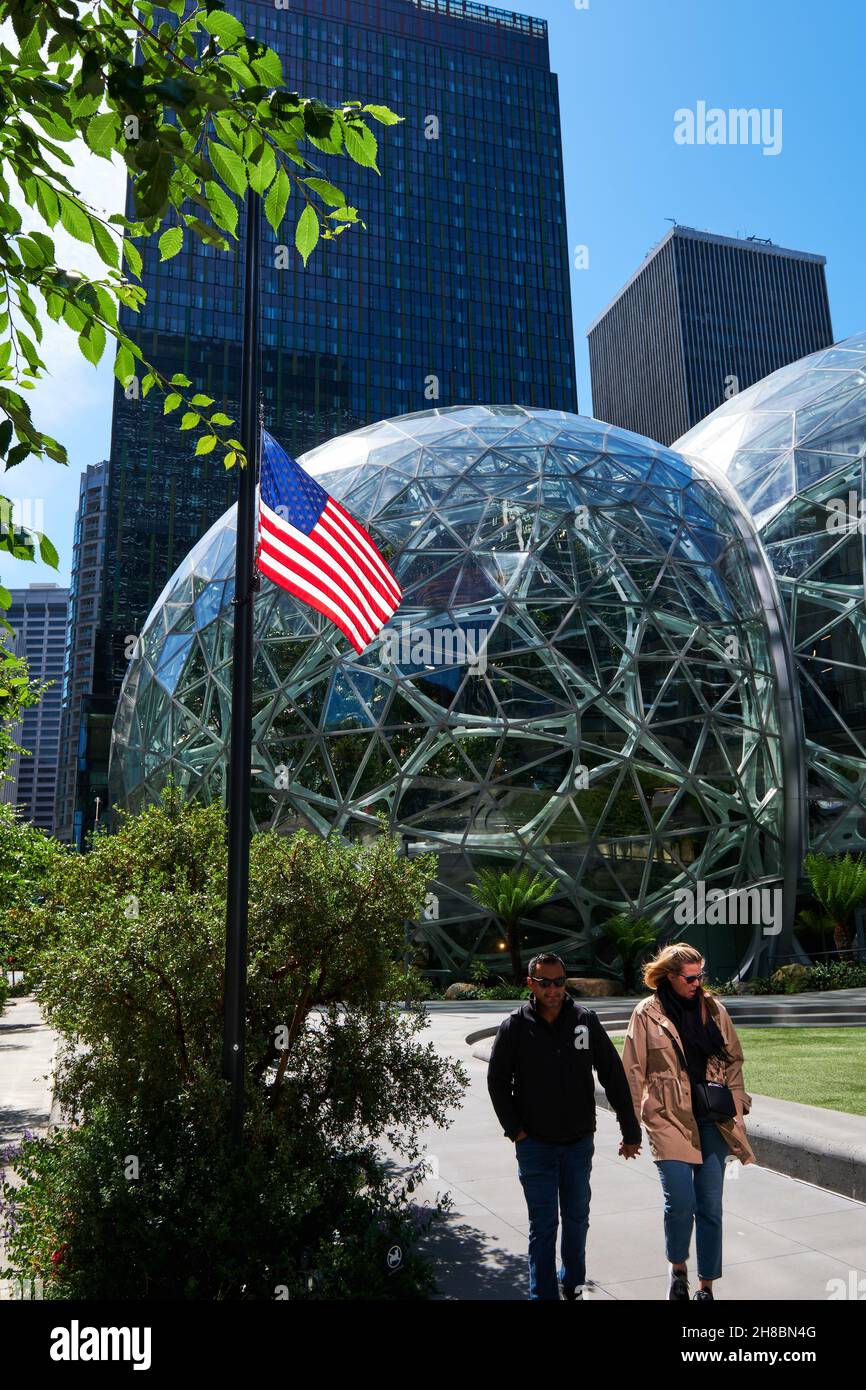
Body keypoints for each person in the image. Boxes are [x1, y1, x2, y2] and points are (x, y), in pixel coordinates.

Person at [487, 952, 642, 1301]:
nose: (554, 989)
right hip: (535, 1145)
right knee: (543, 1227)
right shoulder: (515, 1025)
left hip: (577, 1143)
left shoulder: (585, 1020)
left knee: (576, 1219)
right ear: (531, 983)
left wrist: (630, 1129)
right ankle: (542, 1295)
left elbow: (613, 1076)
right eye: (546, 983)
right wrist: (516, 1130)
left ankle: (572, 1284)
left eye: (559, 982)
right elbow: (497, 1081)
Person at [621, 943, 755, 1302]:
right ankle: (678, 1269)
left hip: (713, 1119)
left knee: (710, 1205)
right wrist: (631, 1128)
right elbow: (633, 1074)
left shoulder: (713, 1010)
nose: (698, 983)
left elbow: (734, 1062)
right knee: (680, 1202)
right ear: (670, 977)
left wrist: (737, 1105)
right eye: (690, 977)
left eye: (701, 976)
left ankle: (705, 1287)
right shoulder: (646, 1014)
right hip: (668, 1120)